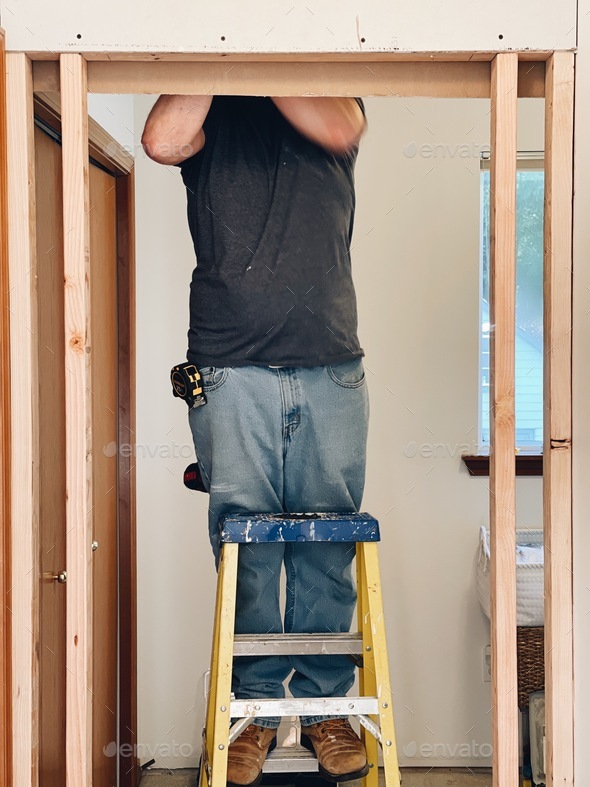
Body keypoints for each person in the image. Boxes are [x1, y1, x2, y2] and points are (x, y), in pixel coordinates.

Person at [142, 93, 369, 786]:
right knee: (246, 546)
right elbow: (161, 139)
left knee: (327, 543)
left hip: (329, 358)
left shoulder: (326, 91)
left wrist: (265, 51)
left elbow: (340, 125)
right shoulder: (207, 105)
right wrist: (218, 50)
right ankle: (255, 714)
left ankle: (329, 707)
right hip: (228, 362)